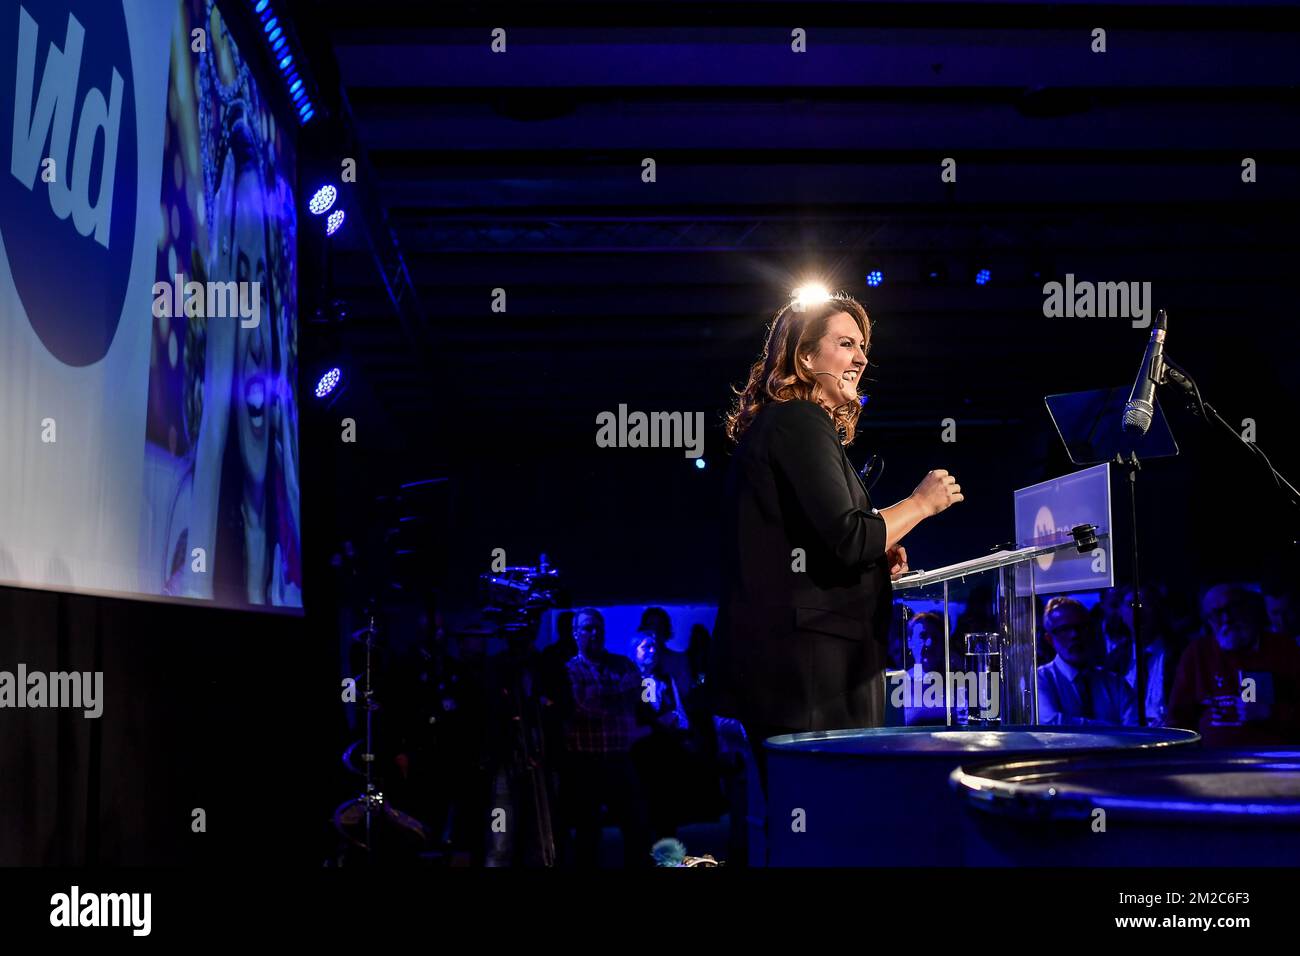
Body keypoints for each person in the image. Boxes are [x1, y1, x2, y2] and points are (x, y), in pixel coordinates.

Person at [709, 290, 963, 793]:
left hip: (799, 671)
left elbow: (826, 543)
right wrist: (921, 503)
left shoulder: (786, 425)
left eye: (863, 347)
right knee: (829, 828)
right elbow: (848, 536)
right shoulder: (799, 419)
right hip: (809, 676)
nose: (862, 358)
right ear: (805, 356)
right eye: (846, 344)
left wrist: (874, 558)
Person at [558, 608, 651, 867]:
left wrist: (603, 697)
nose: (595, 632)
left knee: (637, 827)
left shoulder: (623, 664)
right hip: (586, 762)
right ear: (575, 633)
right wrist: (616, 696)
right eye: (588, 628)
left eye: (598, 627)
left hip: (620, 758)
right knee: (588, 832)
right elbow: (583, 707)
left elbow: (634, 696)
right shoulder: (569, 670)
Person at [1167, 583, 1300, 746]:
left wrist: (1270, 713)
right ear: (1208, 620)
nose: (1227, 619)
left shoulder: (1283, 648)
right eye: (1217, 613)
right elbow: (1178, 718)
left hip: (1273, 760)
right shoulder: (1198, 653)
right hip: (1210, 762)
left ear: (1249, 609)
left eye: (1233, 608)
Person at [1036, 596, 1137, 726]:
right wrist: (1115, 729)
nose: (1075, 635)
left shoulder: (1115, 683)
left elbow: (1134, 729)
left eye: (1081, 627)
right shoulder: (1040, 680)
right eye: (1064, 629)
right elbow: (1051, 723)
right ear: (1049, 639)